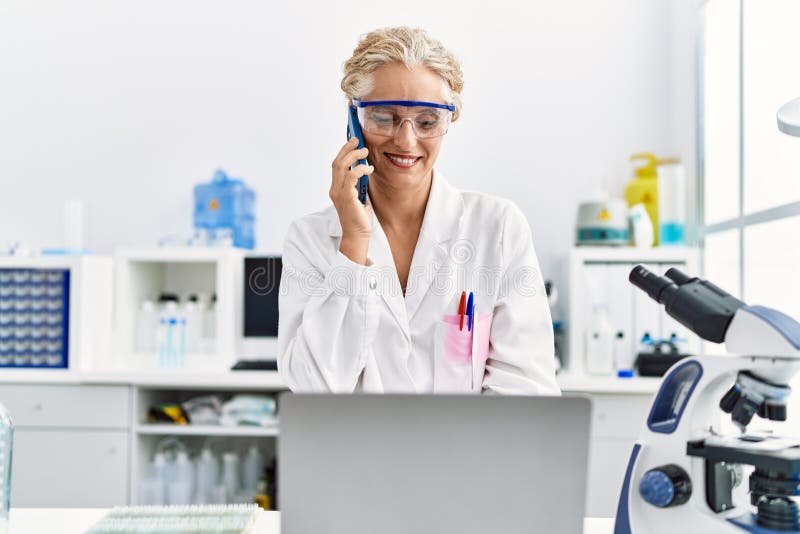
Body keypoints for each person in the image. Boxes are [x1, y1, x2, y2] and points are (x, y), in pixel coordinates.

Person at [278, 26, 559, 395]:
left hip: (468, 436)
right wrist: (354, 243)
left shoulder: (498, 227)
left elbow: (527, 391)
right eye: (384, 117)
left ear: (448, 122)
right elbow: (313, 391)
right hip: (355, 437)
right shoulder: (309, 239)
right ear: (354, 119)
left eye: (427, 122)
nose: (406, 140)